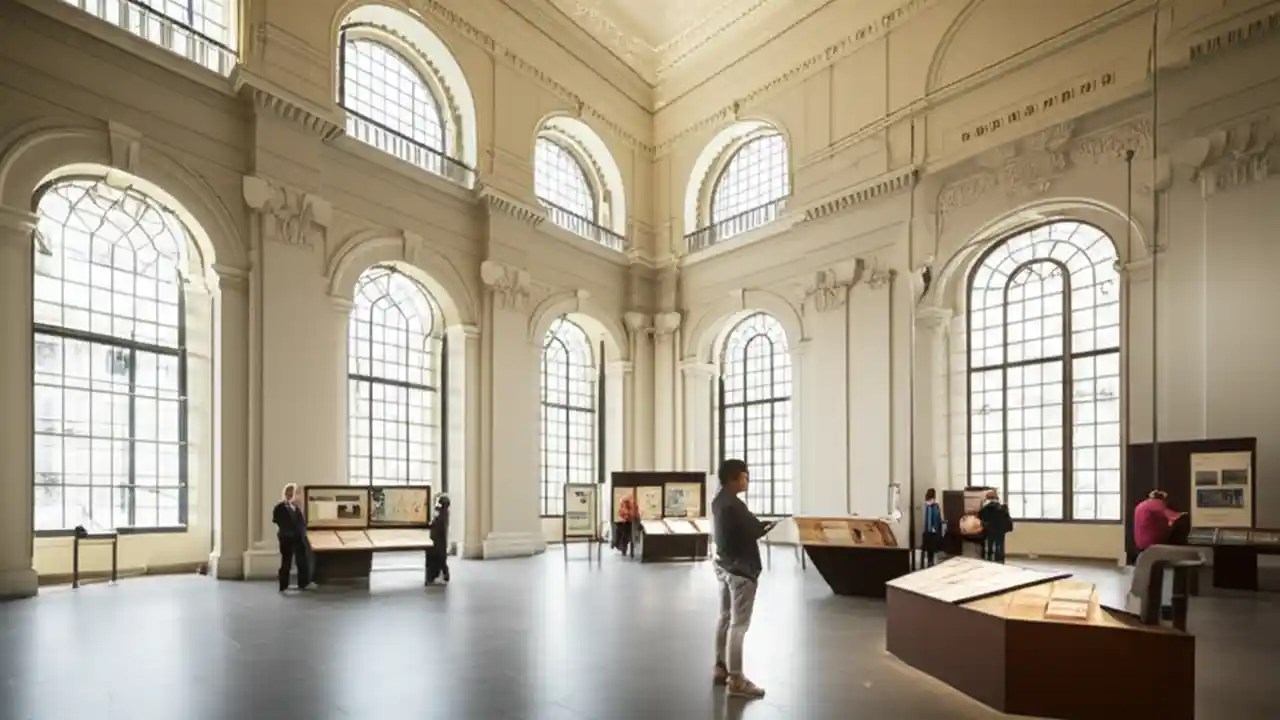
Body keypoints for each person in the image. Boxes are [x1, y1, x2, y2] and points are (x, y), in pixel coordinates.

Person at [711, 458, 777, 700]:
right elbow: (754, 530)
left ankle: (720, 667)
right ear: (734, 478)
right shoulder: (735, 505)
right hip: (741, 571)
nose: (747, 480)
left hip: (725, 567)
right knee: (739, 625)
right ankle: (736, 679)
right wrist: (769, 526)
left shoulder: (718, 501)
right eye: (745, 476)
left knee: (725, 618)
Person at [272, 483, 311, 591]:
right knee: (286, 562)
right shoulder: (279, 508)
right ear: (285, 493)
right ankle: (283, 585)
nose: (290, 495)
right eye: (288, 492)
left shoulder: (296, 508)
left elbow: (301, 522)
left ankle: (303, 583)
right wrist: (288, 531)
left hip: (298, 538)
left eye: (292, 493)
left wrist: (302, 533)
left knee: (302, 561)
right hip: (286, 538)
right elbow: (277, 520)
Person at [978, 489, 1012, 563]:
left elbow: (980, 517)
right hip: (1000, 531)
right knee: (1000, 546)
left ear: (987, 498)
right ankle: (1000, 560)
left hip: (990, 530)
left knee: (990, 546)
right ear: (996, 497)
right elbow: (1007, 518)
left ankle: (989, 560)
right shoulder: (1002, 507)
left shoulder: (986, 508)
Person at [426, 494, 451, 585]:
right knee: (441, 560)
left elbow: (436, 524)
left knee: (441, 560)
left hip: (439, 540)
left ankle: (444, 576)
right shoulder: (443, 513)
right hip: (439, 540)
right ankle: (442, 575)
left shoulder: (442, 513)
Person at [922, 488, 944, 567]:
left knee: (929, 549)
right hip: (933, 530)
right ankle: (932, 562)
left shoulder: (926, 505)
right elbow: (936, 517)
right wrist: (935, 527)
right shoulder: (934, 506)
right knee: (933, 547)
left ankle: (929, 561)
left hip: (927, 530)